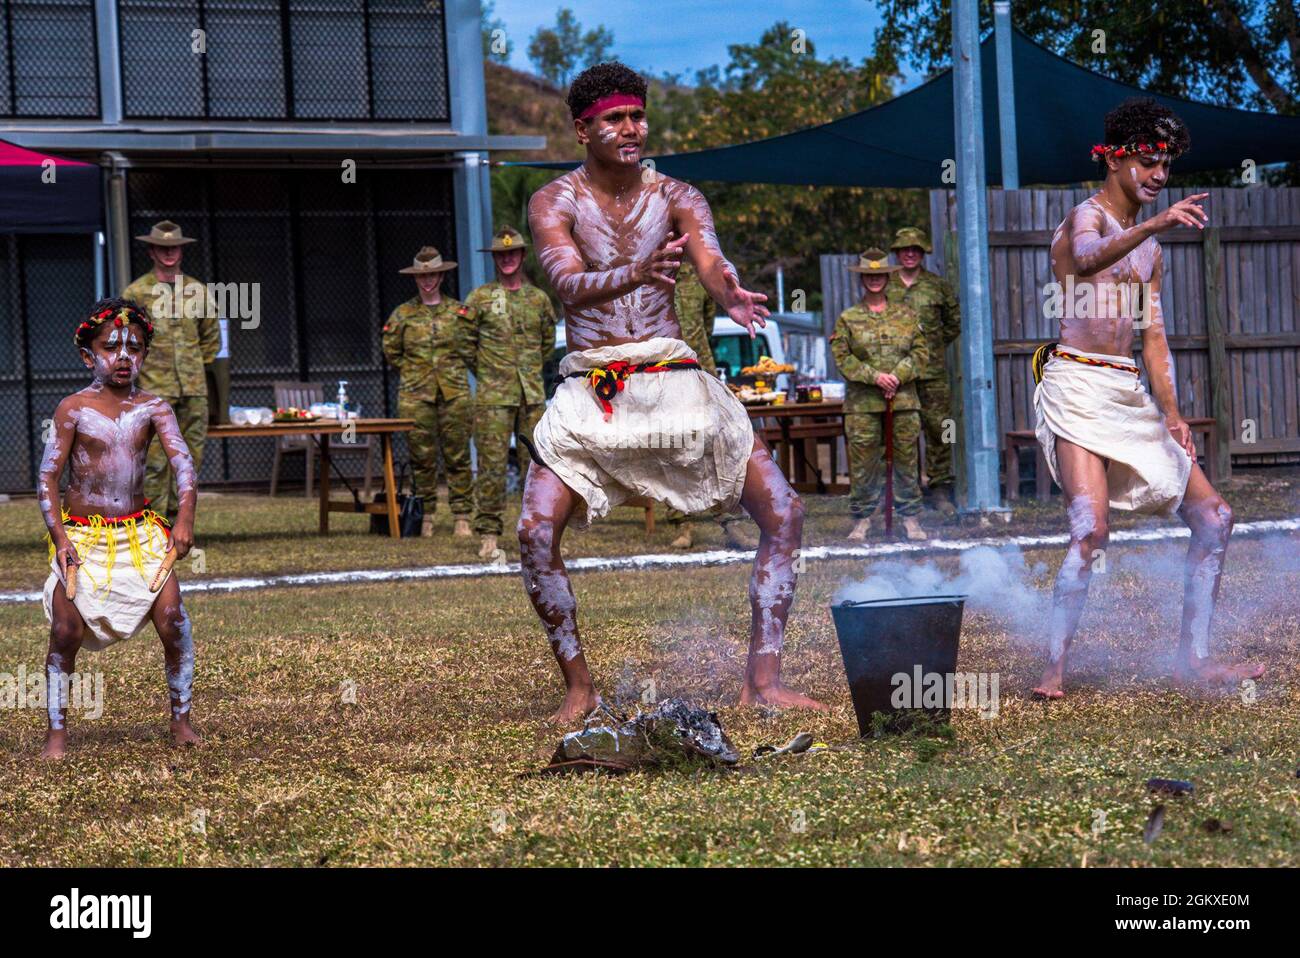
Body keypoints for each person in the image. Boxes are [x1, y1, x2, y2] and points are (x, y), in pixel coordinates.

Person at [521, 61, 825, 723]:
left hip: (673, 377)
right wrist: (635, 270)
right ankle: (581, 688)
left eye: (636, 116)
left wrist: (727, 289)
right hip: (594, 384)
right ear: (582, 129)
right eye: (614, 119)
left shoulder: (680, 195)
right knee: (534, 529)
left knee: (785, 513)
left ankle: (763, 680)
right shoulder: (554, 202)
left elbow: (710, 259)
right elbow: (568, 285)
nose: (630, 129)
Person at [1032, 97, 1262, 698]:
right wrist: (1157, 222)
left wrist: (1174, 412)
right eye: (1149, 162)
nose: (1161, 177)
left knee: (1215, 517)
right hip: (1077, 384)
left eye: (1167, 166)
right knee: (1091, 529)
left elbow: (1153, 335)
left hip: (1125, 387)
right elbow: (1084, 259)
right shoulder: (1086, 217)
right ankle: (1053, 669)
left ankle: (1194, 656)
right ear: (1114, 160)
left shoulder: (1149, 252)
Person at [36, 298, 199, 759]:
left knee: (173, 621)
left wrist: (184, 519)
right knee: (66, 631)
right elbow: (48, 476)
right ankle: (57, 731)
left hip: (141, 534)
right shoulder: (72, 408)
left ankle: (181, 719)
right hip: (83, 537)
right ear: (89, 356)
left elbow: (183, 466)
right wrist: (61, 540)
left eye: (135, 347)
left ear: (145, 354)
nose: (124, 357)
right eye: (111, 347)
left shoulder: (154, 408)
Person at [465, 226, 557, 559]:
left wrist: (527, 370)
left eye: (512, 253)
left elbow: (547, 341)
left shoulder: (538, 299)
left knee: (537, 464)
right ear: (495, 259)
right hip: (493, 396)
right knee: (491, 465)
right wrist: (489, 374)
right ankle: (488, 532)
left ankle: (535, 530)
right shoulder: (480, 299)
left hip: (530, 394)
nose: (507, 258)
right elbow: (465, 345)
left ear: (521, 256)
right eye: (501, 254)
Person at [122, 220, 220, 520]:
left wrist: (194, 369)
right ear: (152, 251)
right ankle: (152, 523)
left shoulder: (198, 291)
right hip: (154, 390)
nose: (168, 253)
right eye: (162, 248)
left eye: (173, 247)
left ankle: (181, 523)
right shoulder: (136, 293)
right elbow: (126, 338)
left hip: (193, 390)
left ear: (181, 251)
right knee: (154, 460)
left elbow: (211, 338)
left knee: (190, 459)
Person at [830, 248, 928, 542]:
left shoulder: (907, 316)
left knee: (907, 462)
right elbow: (842, 357)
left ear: (888, 278)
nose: (875, 280)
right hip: (863, 404)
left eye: (879, 276)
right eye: (869, 276)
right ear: (863, 280)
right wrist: (876, 377)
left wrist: (898, 374)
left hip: (903, 401)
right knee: (862, 465)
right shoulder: (848, 318)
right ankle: (863, 519)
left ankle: (910, 518)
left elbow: (921, 352)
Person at [381, 246, 477, 538]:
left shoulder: (461, 313)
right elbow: (391, 352)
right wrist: (416, 373)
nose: (427, 281)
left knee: (458, 456)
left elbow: (472, 348)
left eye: (432, 274)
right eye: (422, 276)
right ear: (415, 278)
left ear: (441, 275)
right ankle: (425, 515)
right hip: (415, 395)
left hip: (455, 393)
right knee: (420, 457)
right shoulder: (403, 314)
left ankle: (462, 515)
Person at [667, 260, 759, 550]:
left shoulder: (699, 279)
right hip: (662, 371)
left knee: (715, 446)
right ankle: (683, 525)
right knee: (673, 448)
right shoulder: (652, 276)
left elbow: (706, 326)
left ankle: (731, 524)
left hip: (697, 367)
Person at [887, 226, 960, 515]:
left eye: (915, 249)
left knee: (940, 428)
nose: (909, 253)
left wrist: (930, 349)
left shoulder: (938, 286)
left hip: (933, 373)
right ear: (896, 252)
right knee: (903, 432)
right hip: (897, 374)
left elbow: (953, 324)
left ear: (923, 253)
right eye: (904, 249)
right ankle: (908, 492)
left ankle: (940, 489)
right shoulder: (886, 285)